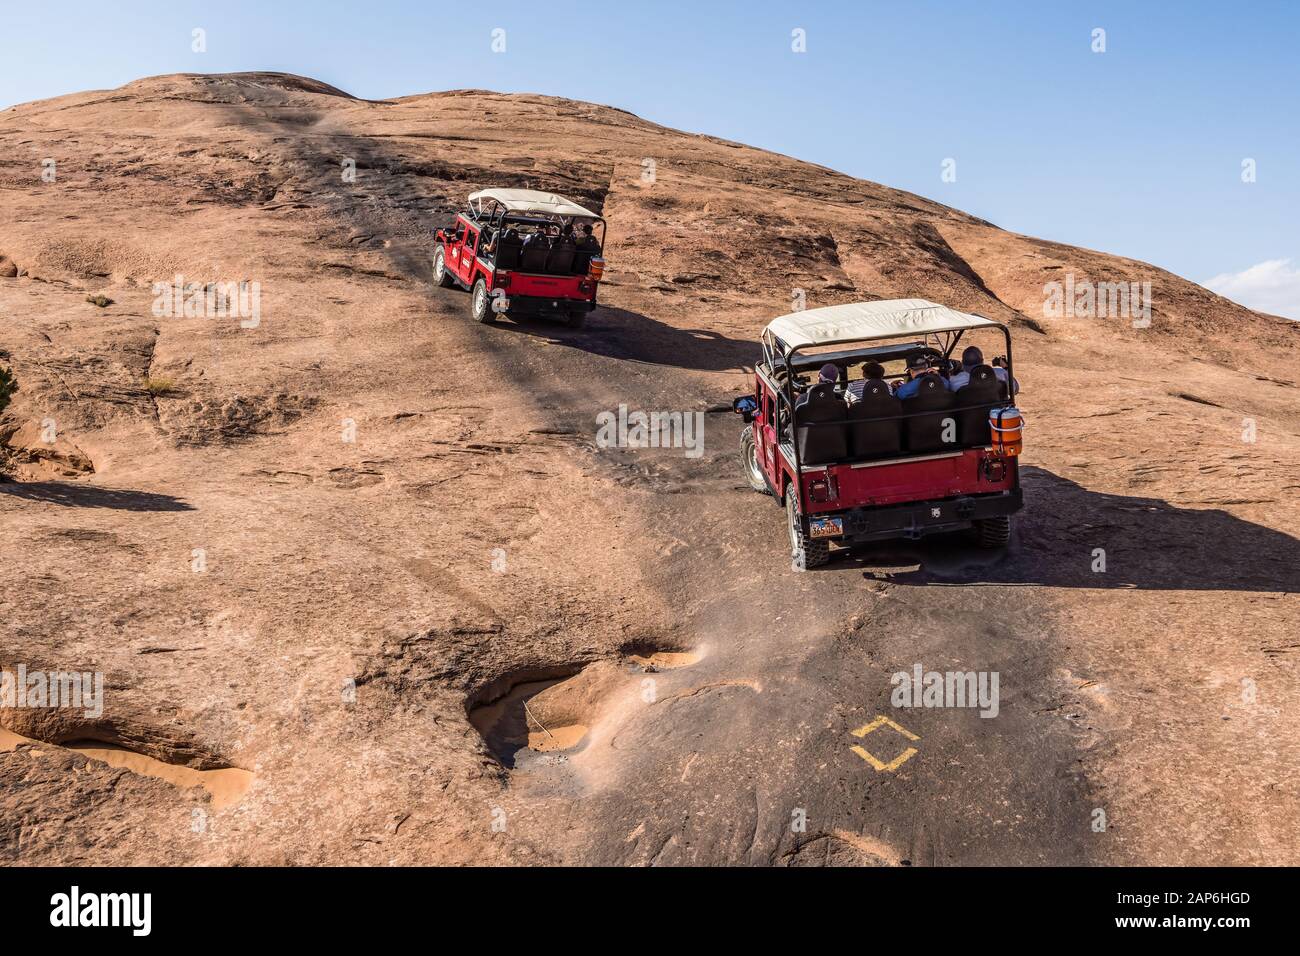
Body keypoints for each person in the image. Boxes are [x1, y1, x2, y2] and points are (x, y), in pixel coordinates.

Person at [947, 346, 1019, 394]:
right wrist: (1006, 368)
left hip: (969, 415)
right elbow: (1015, 389)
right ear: (982, 361)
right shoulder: (998, 373)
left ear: (963, 363)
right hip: (994, 414)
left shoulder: (954, 380)